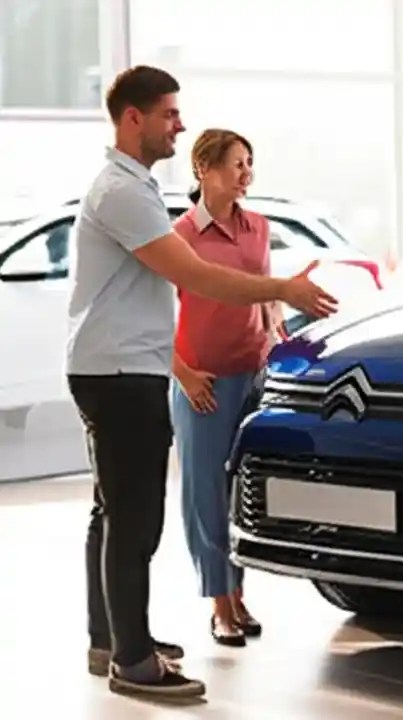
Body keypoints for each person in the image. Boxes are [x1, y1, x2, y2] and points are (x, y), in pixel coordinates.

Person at [70, 65, 337, 698]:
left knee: (113, 513)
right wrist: (285, 288)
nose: (180, 125)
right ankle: (132, 663)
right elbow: (199, 278)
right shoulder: (124, 193)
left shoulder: (128, 187)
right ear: (133, 118)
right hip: (122, 371)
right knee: (136, 520)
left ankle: (111, 639)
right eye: (168, 114)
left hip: (112, 366)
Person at [170, 129, 281, 648]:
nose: (246, 173)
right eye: (236, 163)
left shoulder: (259, 227)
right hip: (203, 383)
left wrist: (278, 338)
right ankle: (219, 601)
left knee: (241, 490)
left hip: (252, 375)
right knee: (205, 493)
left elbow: (265, 294)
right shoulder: (180, 237)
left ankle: (239, 593)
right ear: (203, 169)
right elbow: (151, 318)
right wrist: (184, 374)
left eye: (249, 163)